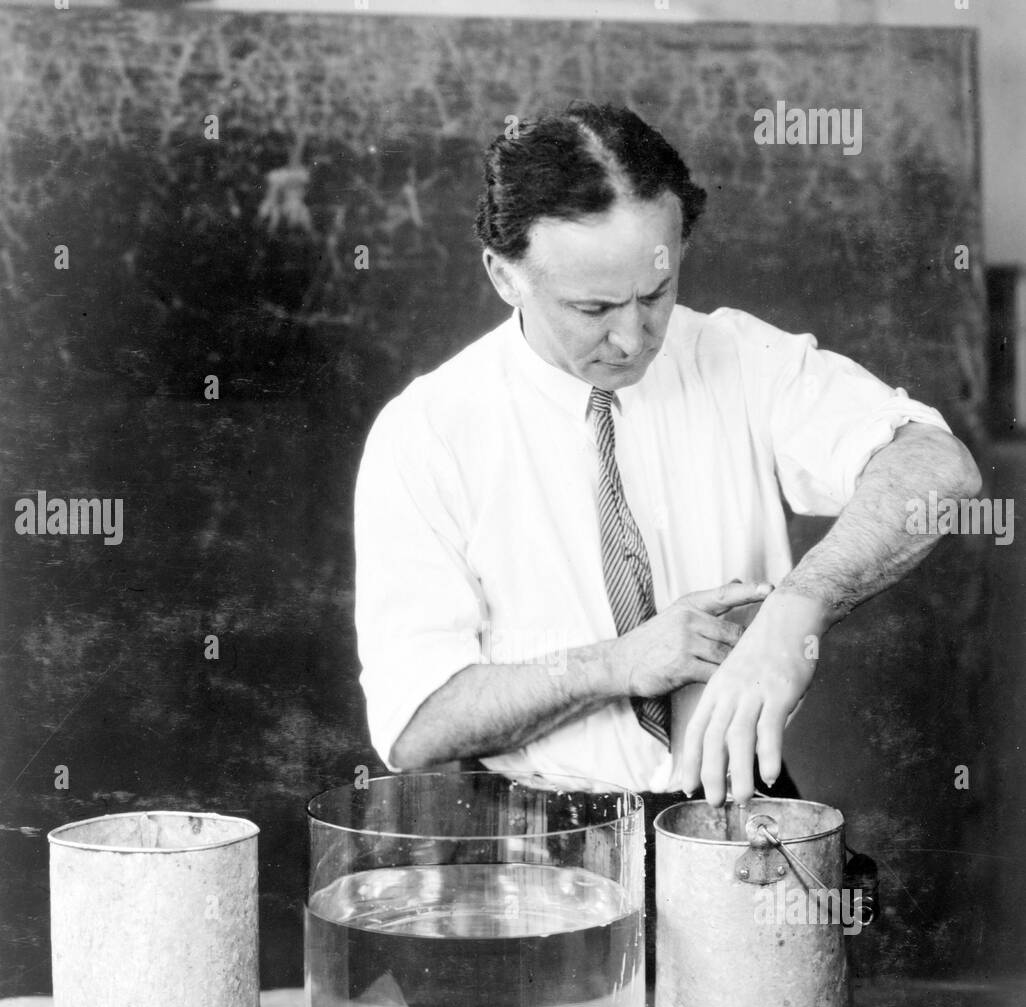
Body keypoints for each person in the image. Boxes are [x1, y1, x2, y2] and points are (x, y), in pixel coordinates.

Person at [354, 102, 980, 830]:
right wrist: (621, 663)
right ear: (503, 275)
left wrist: (799, 606)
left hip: (736, 818)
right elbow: (415, 726)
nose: (631, 338)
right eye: (593, 308)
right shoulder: (428, 431)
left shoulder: (739, 359)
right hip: (534, 846)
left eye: (655, 294)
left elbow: (939, 467)